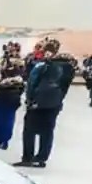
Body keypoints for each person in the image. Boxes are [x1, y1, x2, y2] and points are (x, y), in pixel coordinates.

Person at [16, 39, 75, 168]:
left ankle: (28, 157)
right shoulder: (67, 67)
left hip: (38, 102)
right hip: (54, 103)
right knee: (47, 131)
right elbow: (65, 86)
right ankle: (42, 158)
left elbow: (32, 83)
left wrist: (30, 99)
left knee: (29, 130)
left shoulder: (43, 66)